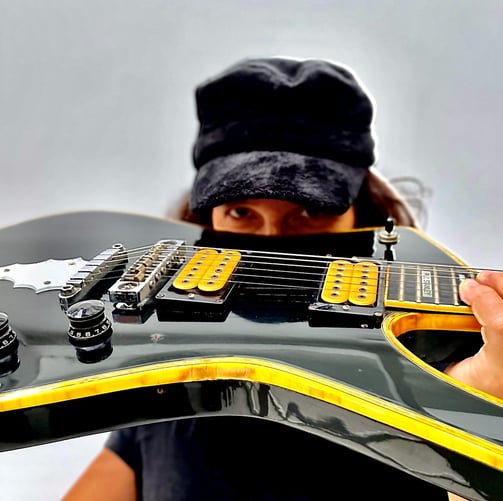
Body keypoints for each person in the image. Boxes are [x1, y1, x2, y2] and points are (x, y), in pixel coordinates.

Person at [62, 57, 503, 501]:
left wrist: (476, 408)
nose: (271, 246)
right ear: (202, 221)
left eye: (309, 211)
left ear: (364, 215)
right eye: (241, 212)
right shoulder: (167, 376)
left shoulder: (448, 365)